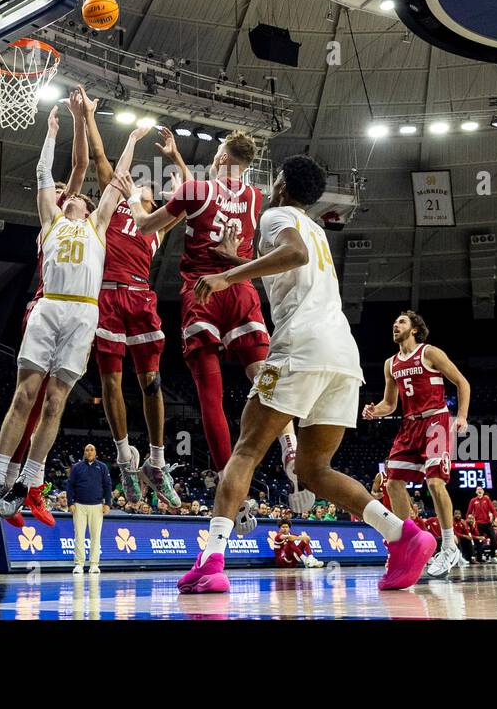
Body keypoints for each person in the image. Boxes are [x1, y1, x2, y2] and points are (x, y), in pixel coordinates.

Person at [175, 156, 424, 594]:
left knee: (246, 450)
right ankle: (403, 535)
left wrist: (227, 275)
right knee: (314, 469)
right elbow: (292, 262)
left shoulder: (275, 214)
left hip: (299, 348)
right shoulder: (316, 229)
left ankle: (211, 561)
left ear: (283, 184)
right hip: (343, 356)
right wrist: (236, 257)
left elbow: (293, 254)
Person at [128, 131, 303, 519]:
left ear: (222, 156)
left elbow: (147, 226)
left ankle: (230, 487)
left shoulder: (195, 190)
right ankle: (289, 441)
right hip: (239, 289)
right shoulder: (256, 197)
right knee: (264, 378)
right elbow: (199, 191)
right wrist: (176, 160)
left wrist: (131, 201)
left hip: (203, 293)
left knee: (211, 396)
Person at [0, 107, 127, 523]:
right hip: (49, 305)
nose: (72, 193)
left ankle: (29, 481)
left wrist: (131, 141)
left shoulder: (97, 223)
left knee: (56, 402)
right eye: (68, 193)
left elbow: (112, 182)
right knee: (24, 396)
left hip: (83, 314)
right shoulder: (51, 217)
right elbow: (44, 173)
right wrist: (51, 130)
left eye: (77, 193)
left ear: (87, 203)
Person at [80, 91, 184, 509]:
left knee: (151, 382)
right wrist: (89, 116)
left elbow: (188, 195)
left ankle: (156, 463)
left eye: (148, 188)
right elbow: (102, 156)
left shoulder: (154, 224)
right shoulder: (115, 205)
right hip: (107, 297)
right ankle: (125, 460)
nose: (143, 183)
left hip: (141, 298)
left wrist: (176, 158)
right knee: (110, 382)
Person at [362, 309, 472, 577]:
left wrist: (461, 417)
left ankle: (449, 547)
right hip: (409, 424)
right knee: (393, 482)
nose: (395, 326)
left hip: (436, 420)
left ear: (414, 329)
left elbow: (462, 382)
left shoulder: (429, 353)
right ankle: (412, 540)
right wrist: (374, 410)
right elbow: (390, 404)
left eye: (400, 322)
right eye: (394, 323)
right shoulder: (390, 364)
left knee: (435, 482)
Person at [67, 443, 113, 575]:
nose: (89, 452)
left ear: (95, 452)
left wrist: (107, 503)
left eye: (91, 449)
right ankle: (79, 564)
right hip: (79, 505)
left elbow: (108, 486)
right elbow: (70, 485)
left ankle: (94, 564)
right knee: (79, 536)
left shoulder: (102, 467)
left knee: (95, 537)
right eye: (87, 450)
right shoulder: (76, 467)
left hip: (97, 506)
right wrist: (70, 502)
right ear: (84, 452)